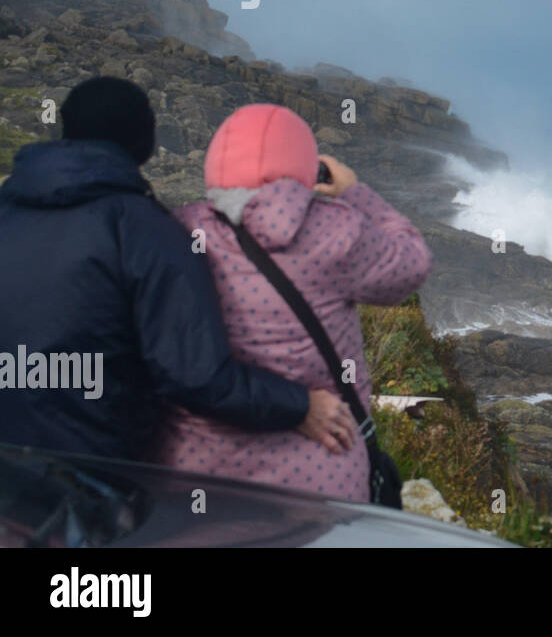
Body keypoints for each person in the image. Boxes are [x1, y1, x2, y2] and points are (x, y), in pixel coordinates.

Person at [0, 77, 356, 461]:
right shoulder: (147, 233)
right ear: (145, 144)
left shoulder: (8, 210)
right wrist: (301, 406)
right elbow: (197, 377)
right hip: (90, 484)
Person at [153, 103, 433, 501]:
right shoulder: (338, 230)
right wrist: (356, 193)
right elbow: (412, 264)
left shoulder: (181, 230)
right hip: (319, 481)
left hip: (198, 476)